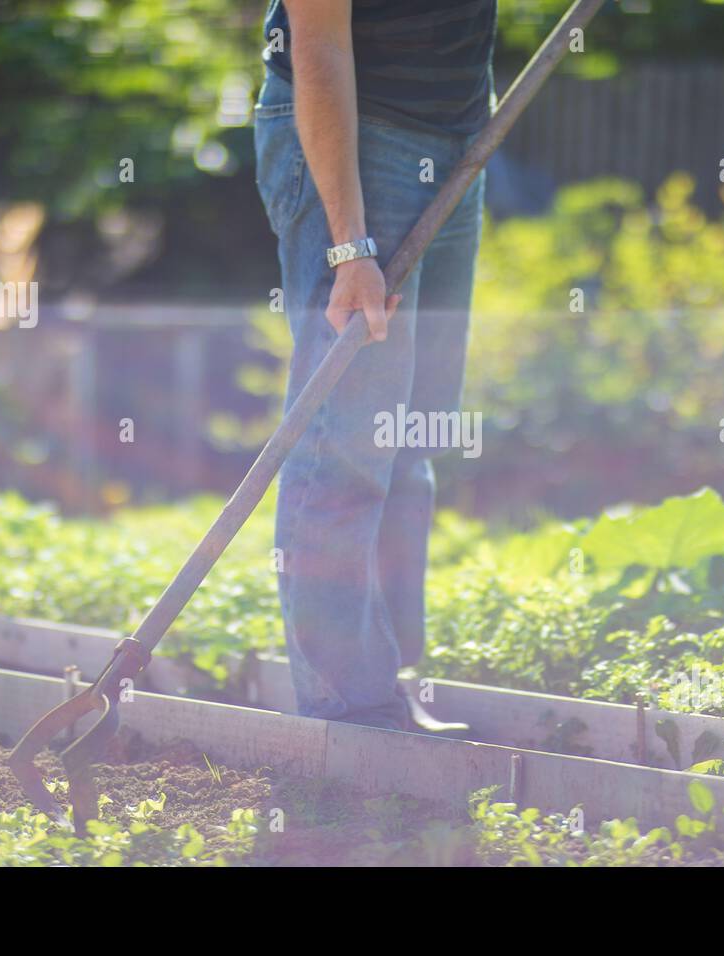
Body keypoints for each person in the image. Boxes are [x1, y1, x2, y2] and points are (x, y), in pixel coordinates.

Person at [254, 0, 496, 731]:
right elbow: (318, 51)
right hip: (357, 147)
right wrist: (349, 248)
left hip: (459, 142)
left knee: (411, 436)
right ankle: (349, 704)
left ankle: (389, 682)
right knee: (348, 443)